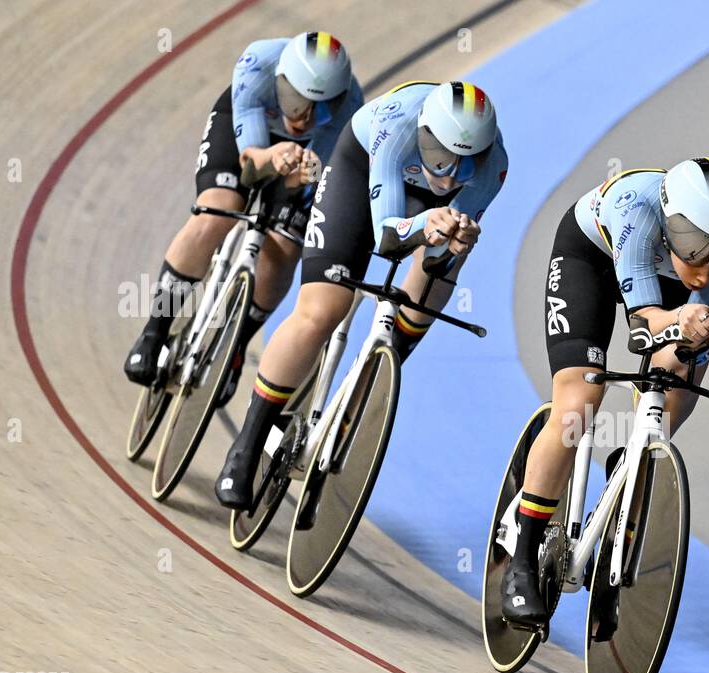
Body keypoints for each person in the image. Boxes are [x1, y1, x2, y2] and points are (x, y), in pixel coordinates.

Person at [214, 81, 509, 509]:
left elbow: (436, 259)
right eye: (441, 159)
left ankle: (381, 365)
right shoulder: (397, 127)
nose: (449, 176)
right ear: (424, 135)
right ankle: (247, 443)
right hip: (362, 171)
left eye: (465, 166)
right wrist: (427, 224)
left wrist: (452, 244)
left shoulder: (494, 166)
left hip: (424, 211)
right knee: (322, 310)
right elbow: (388, 236)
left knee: (443, 270)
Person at [500, 158, 709, 627]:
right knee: (579, 405)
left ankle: (629, 480)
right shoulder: (634, 209)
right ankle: (521, 557)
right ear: (675, 229)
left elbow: (681, 345)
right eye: (700, 248)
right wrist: (684, 320)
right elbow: (643, 328)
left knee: (668, 404)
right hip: (592, 262)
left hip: (664, 291)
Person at [122, 32, 362, 405]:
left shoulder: (350, 109)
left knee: (285, 243)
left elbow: (312, 180)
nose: (305, 118)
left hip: (302, 160)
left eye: (321, 109)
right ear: (280, 83)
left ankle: (237, 344)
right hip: (246, 130)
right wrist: (271, 159)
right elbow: (250, 164)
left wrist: (298, 178)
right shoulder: (260, 62)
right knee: (216, 212)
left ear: (338, 102)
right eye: (296, 102)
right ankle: (154, 331)